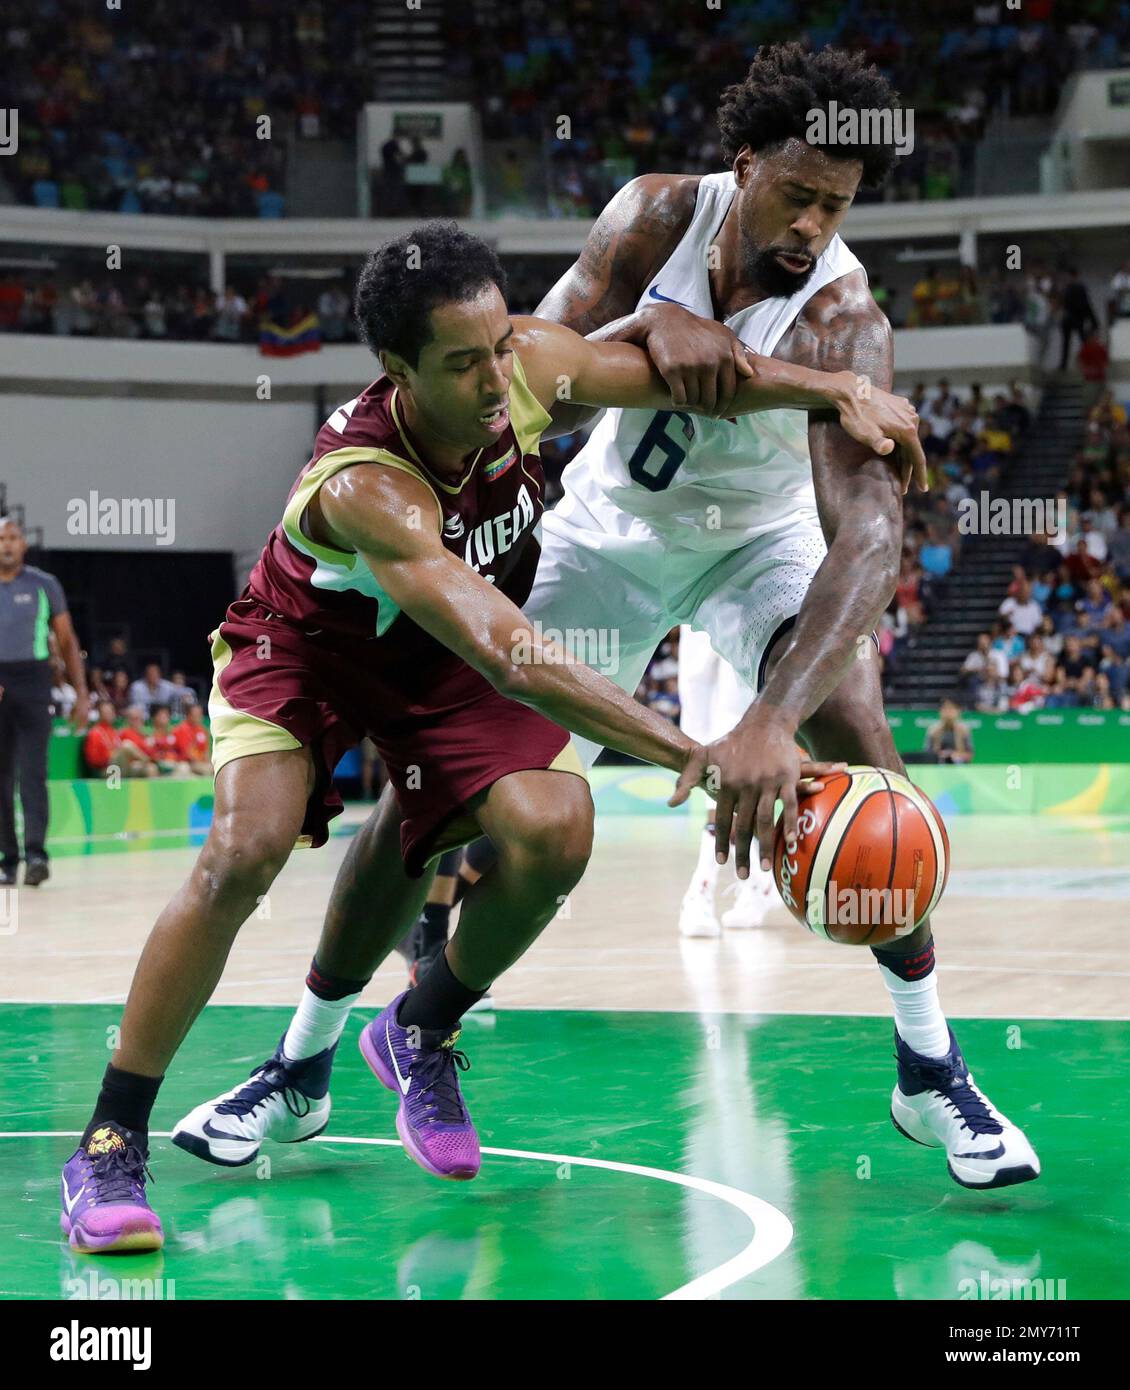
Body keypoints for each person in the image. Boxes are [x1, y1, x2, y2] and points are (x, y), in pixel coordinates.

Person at [194, 45, 1038, 1198]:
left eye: (836, 205)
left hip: (760, 544)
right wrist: (650, 322)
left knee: (868, 757)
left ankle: (928, 1067)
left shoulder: (845, 324)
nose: (811, 222)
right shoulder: (651, 219)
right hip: (605, 535)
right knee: (431, 790)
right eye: (795, 192)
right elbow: (513, 375)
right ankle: (299, 1064)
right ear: (742, 165)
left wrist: (768, 721)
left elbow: (872, 544)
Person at [61, 220, 911, 1253]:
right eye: (460, 363)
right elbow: (515, 656)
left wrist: (835, 390)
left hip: (429, 663)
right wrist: (692, 750)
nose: (492, 374)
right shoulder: (366, 483)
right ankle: (111, 1134)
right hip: (306, 655)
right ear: (397, 369)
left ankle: (419, 1023)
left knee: (555, 822)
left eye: (499, 343)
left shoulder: (527, 369)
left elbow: (692, 379)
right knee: (245, 849)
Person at [0, 516, 88, 886]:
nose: (6, 543)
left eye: (13, 537)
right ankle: (8, 858)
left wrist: (81, 692)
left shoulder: (44, 584)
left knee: (33, 772)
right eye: (1, 538)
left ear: (24, 544)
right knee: (1, 776)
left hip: (34, 681)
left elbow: (66, 641)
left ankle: (36, 855)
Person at [676, 626, 773, 937]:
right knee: (697, 741)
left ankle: (701, 890)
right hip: (691, 612)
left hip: (742, 607)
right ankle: (759, 884)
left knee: (727, 757)